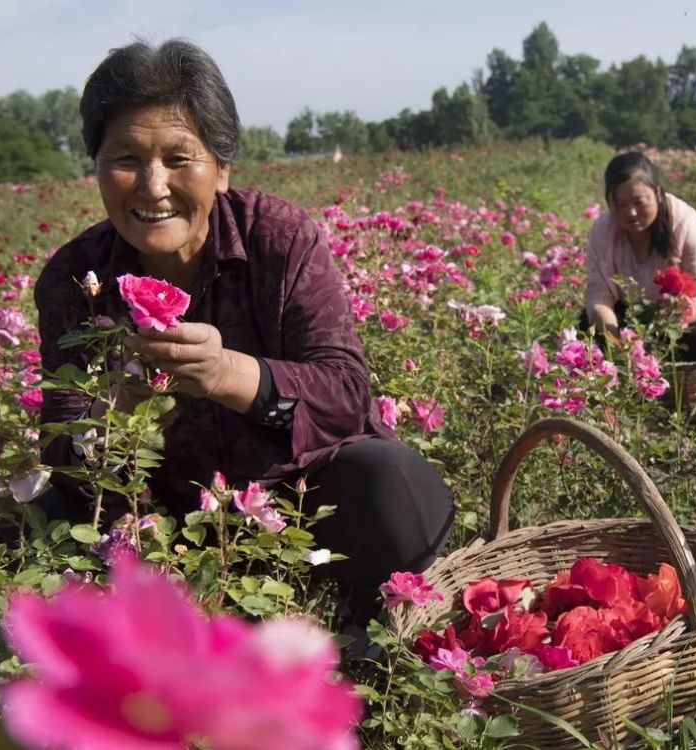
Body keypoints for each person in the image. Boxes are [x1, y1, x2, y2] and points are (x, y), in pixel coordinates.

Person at [33, 39, 454, 627]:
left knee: (391, 485)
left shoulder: (278, 240)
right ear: (97, 166)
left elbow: (345, 393)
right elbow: (59, 446)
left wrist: (229, 374)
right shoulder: (75, 281)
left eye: (179, 159)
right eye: (125, 158)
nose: (153, 186)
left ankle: (365, 631)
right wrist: (113, 418)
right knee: (29, 523)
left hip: (297, 503)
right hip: (156, 522)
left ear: (222, 168)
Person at [581, 151, 696, 362]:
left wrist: (666, 324)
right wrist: (616, 342)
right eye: (620, 205)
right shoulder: (603, 232)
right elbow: (598, 295)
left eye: (639, 202)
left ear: (657, 193)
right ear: (609, 202)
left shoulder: (683, 222)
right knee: (588, 326)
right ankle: (616, 384)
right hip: (635, 311)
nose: (631, 213)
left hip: (694, 311)